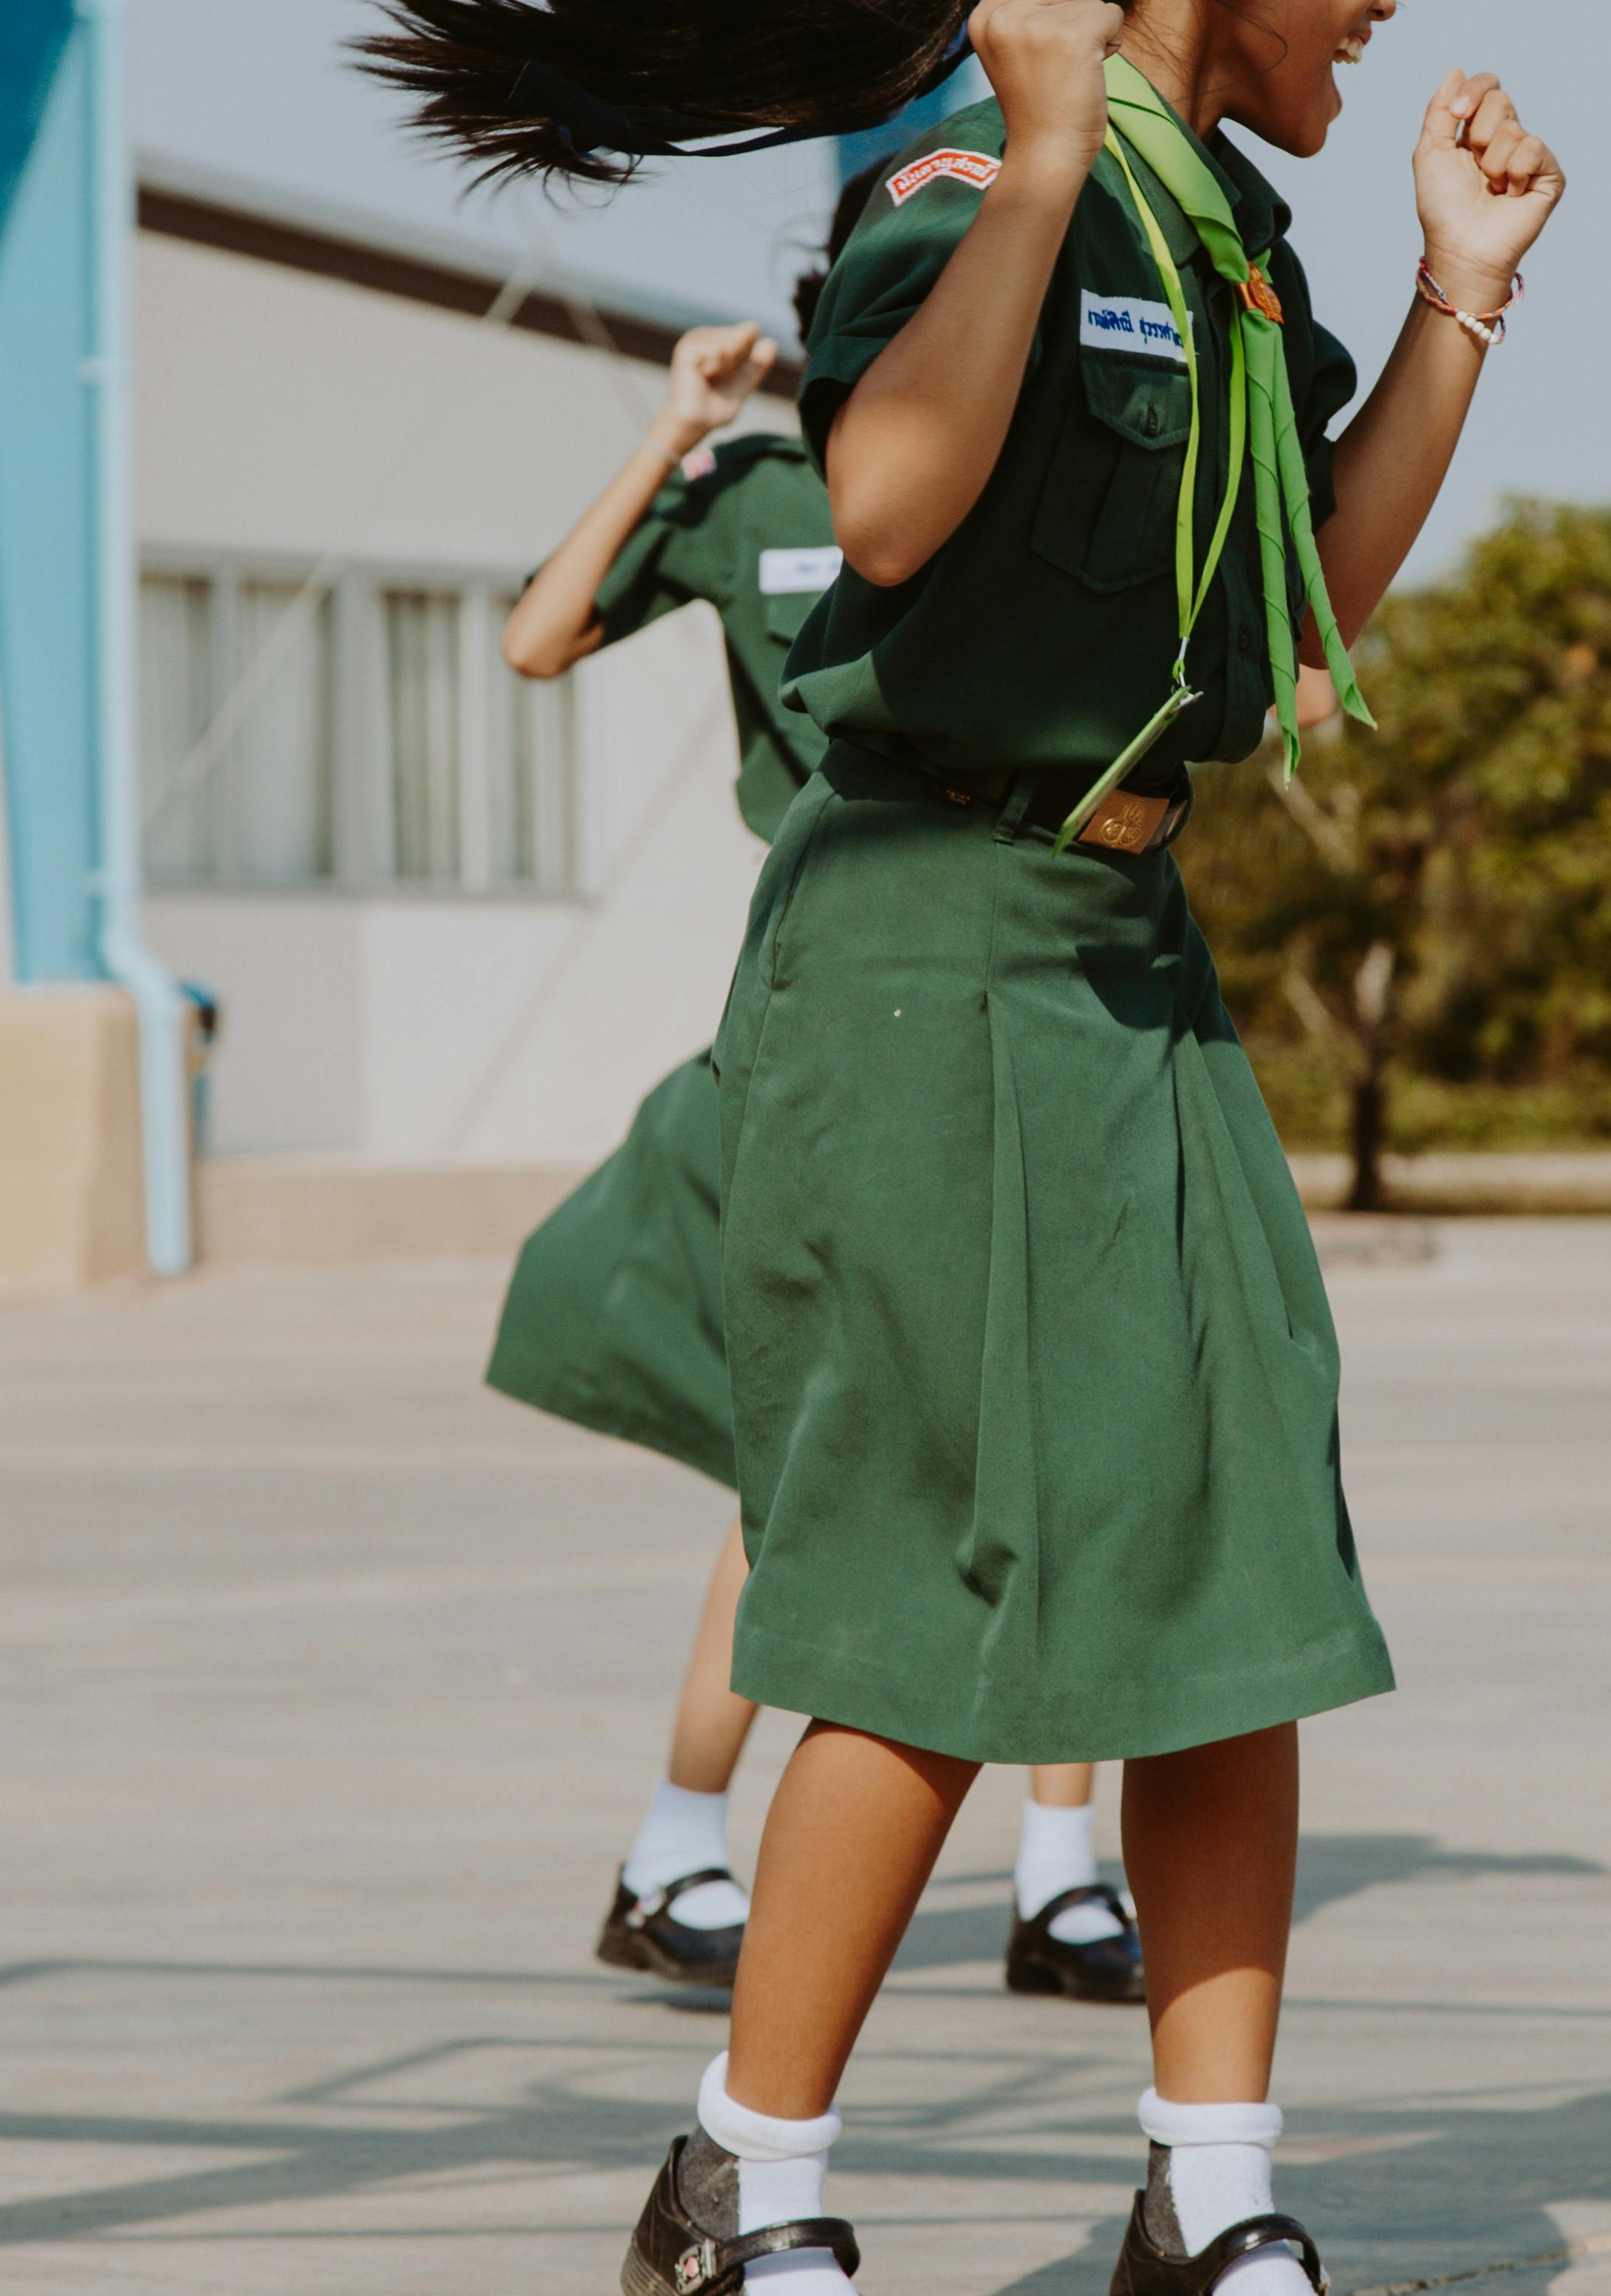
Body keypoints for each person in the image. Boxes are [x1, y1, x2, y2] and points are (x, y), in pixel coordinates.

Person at [359, 0, 1564, 2296]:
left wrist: (1462, 297)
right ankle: (743, 2182)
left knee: (1233, 1568)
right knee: (924, 1590)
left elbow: (1286, 622)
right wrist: (1023, 157)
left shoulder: (1229, 234)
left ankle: (1207, 2195)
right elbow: (883, 507)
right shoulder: (968, 177)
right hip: (919, 947)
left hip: (1123, 946)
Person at [486, 212, 1142, 2007]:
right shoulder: (765, 496)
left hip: (1035, 965)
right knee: (826, 1464)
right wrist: (667, 435)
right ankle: (677, 1843)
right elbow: (537, 638)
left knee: (1056, 1421)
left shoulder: (1059, 476)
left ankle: (1064, 1876)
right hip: (843, 989)